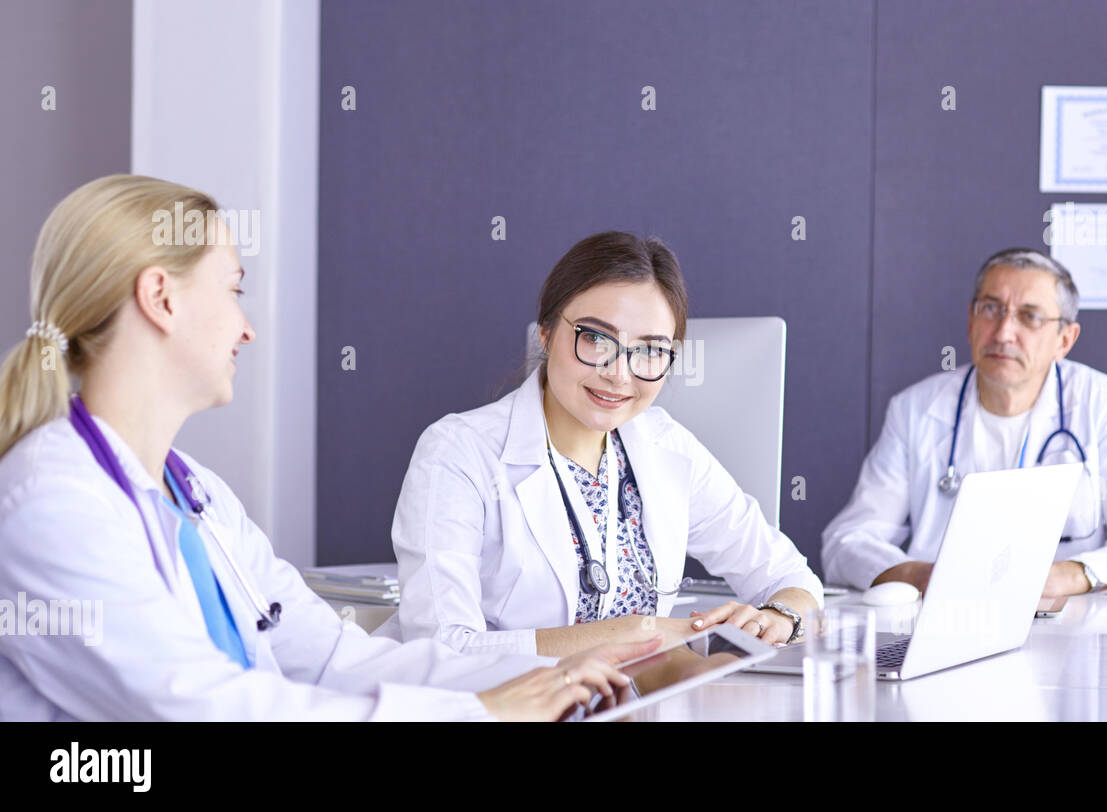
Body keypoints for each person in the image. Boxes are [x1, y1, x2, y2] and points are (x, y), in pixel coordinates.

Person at [0, 175, 653, 721]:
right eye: (233, 290)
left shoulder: (194, 493)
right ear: (160, 298)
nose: (247, 328)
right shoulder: (51, 504)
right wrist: (480, 713)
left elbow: (335, 657)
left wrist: (547, 673)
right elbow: (197, 704)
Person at [389, 231, 823, 658]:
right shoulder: (458, 452)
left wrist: (780, 617)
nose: (620, 374)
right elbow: (442, 649)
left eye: (650, 350)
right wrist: (627, 634)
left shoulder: (666, 446)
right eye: (596, 339)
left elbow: (791, 577)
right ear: (545, 332)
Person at [822, 248, 1107, 596]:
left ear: (1064, 340)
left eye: (1030, 316)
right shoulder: (915, 409)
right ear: (970, 319)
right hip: (943, 617)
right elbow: (846, 542)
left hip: (1065, 623)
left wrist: (1068, 576)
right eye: (991, 309)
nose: (1004, 332)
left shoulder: (1100, 403)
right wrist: (919, 576)